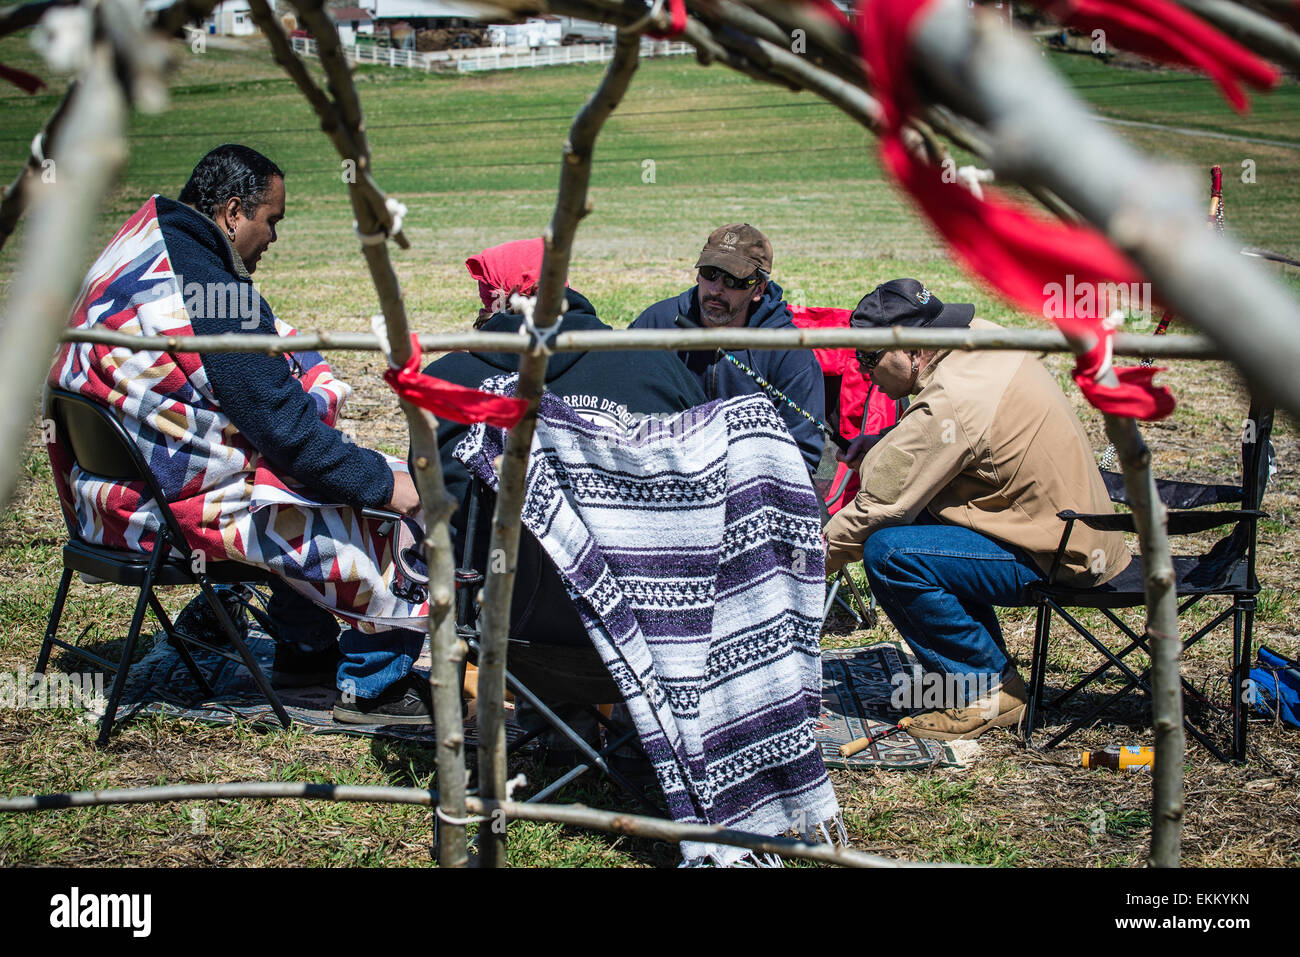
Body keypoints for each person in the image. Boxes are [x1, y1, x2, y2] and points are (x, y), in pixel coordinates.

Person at [47, 144, 432, 726]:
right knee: (375, 504)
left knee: (306, 473)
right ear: (232, 212)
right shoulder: (212, 294)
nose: (273, 238)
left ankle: (307, 654)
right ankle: (372, 682)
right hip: (166, 511)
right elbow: (290, 436)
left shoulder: (144, 244)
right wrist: (388, 486)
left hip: (102, 494)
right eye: (270, 220)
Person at [823, 279, 1131, 740]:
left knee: (889, 553)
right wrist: (885, 448)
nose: (864, 372)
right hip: (1073, 531)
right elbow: (952, 445)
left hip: (1060, 555)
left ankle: (986, 690)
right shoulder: (977, 337)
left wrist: (806, 566)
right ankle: (983, 670)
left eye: (868, 357)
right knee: (915, 525)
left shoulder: (950, 401)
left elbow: (879, 509)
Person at [427, 237, 707, 584]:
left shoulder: (443, 382)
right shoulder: (657, 363)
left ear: (495, 302)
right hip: (652, 599)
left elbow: (442, 506)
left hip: (505, 609)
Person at [628, 224, 825, 473]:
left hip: (749, 483)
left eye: (733, 280)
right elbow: (616, 403)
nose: (716, 289)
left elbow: (803, 454)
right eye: (710, 273)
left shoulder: (787, 350)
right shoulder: (655, 323)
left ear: (758, 289)